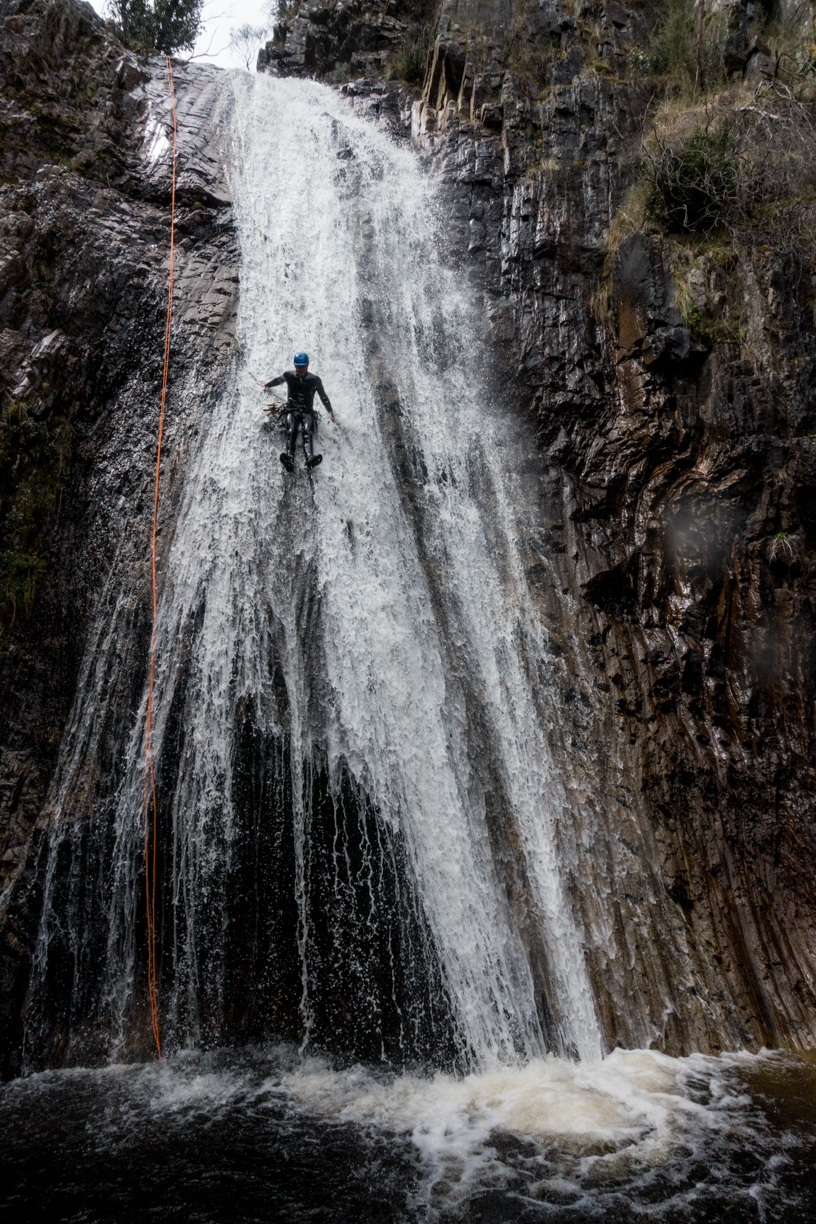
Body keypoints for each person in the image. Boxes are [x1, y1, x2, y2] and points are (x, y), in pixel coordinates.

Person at [263, 352, 336, 472]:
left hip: (307, 411)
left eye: (303, 366)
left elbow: (324, 397)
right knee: (292, 429)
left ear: (307, 365)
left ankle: (310, 458)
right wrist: (266, 385)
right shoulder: (288, 375)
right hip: (292, 410)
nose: (301, 369)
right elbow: (278, 380)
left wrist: (331, 413)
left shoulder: (314, 379)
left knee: (307, 431)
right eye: (298, 366)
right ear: (295, 366)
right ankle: (289, 458)